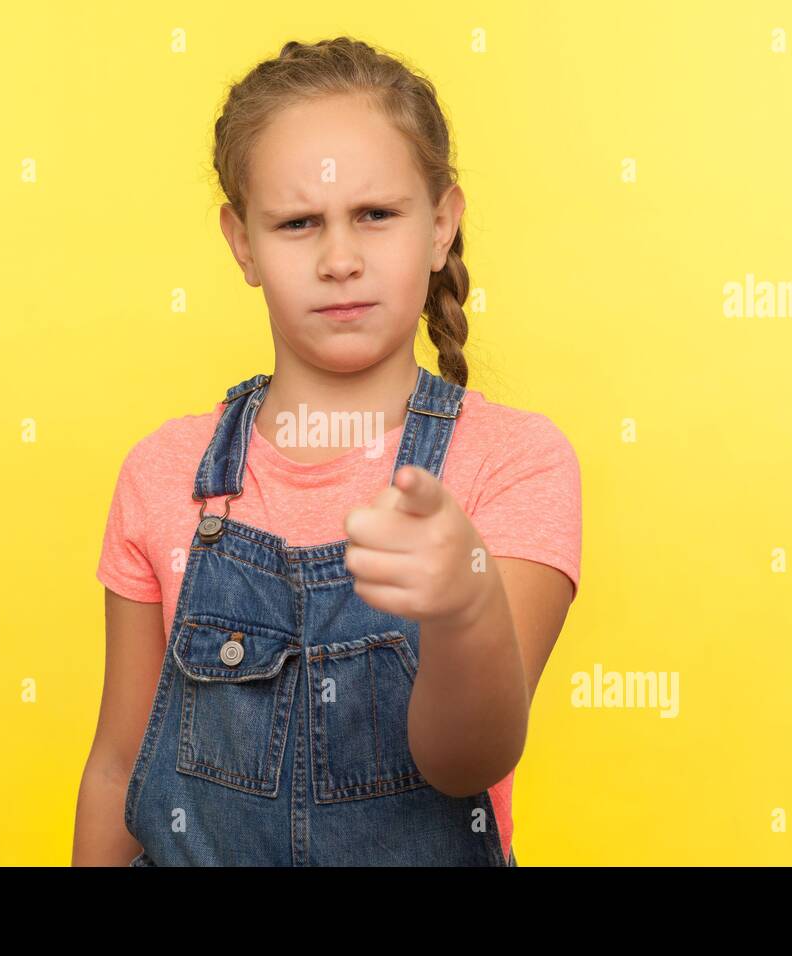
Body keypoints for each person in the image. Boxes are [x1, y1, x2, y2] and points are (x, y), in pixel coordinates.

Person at [73, 36, 580, 866]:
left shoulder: (513, 461)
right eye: (298, 223)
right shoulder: (164, 475)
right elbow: (118, 768)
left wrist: (466, 605)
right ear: (242, 243)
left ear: (441, 224)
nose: (340, 260)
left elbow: (467, 763)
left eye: (376, 215)